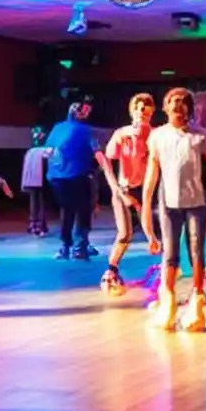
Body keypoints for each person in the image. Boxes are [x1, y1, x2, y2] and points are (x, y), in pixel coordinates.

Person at [141, 87, 206, 332]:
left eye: (182, 102)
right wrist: (146, 205)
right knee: (170, 252)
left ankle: (197, 299)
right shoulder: (157, 137)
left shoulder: (199, 137)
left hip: (196, 203)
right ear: (165, 108)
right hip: (168, 203)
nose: (177, 106)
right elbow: (152, 174)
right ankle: (167, 301)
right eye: (172, 102)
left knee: (197, 250)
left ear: (189, 108)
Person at [97, 92, 155, 295]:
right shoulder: (122, 134)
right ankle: (110, 271)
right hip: (124, 188)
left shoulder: (155, 136)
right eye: (139, 109)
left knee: (158, 231)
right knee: (125, 233)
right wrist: (117, 189)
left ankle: (170, 268)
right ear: (132, 111)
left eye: (146, 110)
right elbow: (107, 161)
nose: (142, 113)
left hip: (147, 188)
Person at [45, 98, 98, 260]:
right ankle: (80, 247)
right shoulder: (85, 130)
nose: (88, 113)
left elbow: (48, 151)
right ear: (77, 112)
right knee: (83, 210)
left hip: (56, 177)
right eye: (85, 110)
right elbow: (95, 151)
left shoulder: (57, 128)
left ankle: (65, 246)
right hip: (78, 175)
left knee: (67, 210)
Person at [21, 126, 50, 236]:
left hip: (32, 182)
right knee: (41, 203)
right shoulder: (44, 151)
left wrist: (24, 183)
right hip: (41, 181)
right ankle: (39, 225)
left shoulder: (29, 152)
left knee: (34, 203)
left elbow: (25, 170)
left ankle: (34, 224)